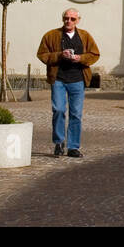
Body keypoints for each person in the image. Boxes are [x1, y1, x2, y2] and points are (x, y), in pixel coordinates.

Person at [36, 9, 100, 158]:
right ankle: (59, 143)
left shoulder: (84, 36)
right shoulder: (51, 35)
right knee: (58, 110)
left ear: (78, 20)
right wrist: (59, 55)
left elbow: (95, 54)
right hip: (58, 78)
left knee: (75, 114)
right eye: (66, 18)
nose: (69, 21)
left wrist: (80, 58)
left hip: (77, 79)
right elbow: (42, 54)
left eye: (72, 19)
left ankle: (73, 147)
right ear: (62, 19)